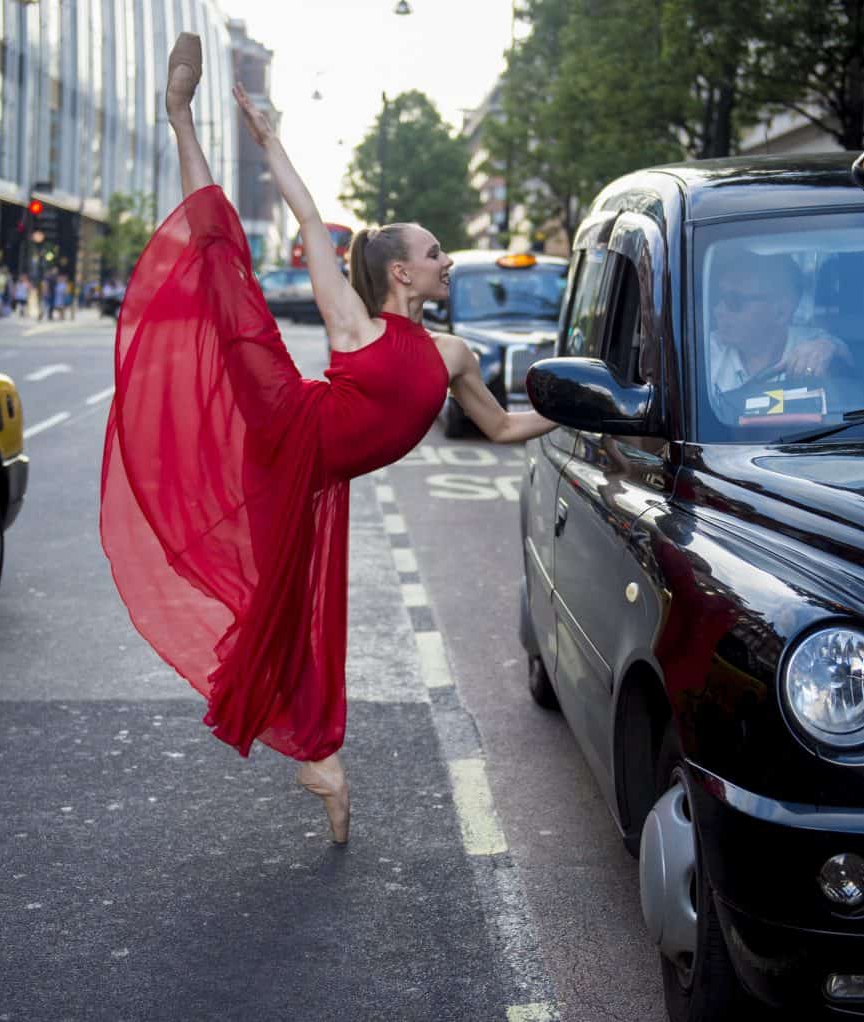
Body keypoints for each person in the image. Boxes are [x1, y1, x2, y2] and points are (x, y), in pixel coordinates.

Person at [100, 33, 555, 844]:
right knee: (220, 264)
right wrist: (269, 138)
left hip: (312, 475)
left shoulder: (456, 356)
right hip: (287, 416)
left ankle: (319, 757)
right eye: (433, 252)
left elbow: (503, 425)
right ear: (399, 275)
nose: (447, 260)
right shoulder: (354, 323)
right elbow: (311, 218)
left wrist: (581, 409)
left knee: (295, 614)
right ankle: (180, 117)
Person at [706, 249, 847, 418]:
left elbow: (844, 360)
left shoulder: (815, 346)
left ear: (781, 311)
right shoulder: (703, 356)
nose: (718, 310)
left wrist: (829, 348)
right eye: (718, 298)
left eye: (734, 301)